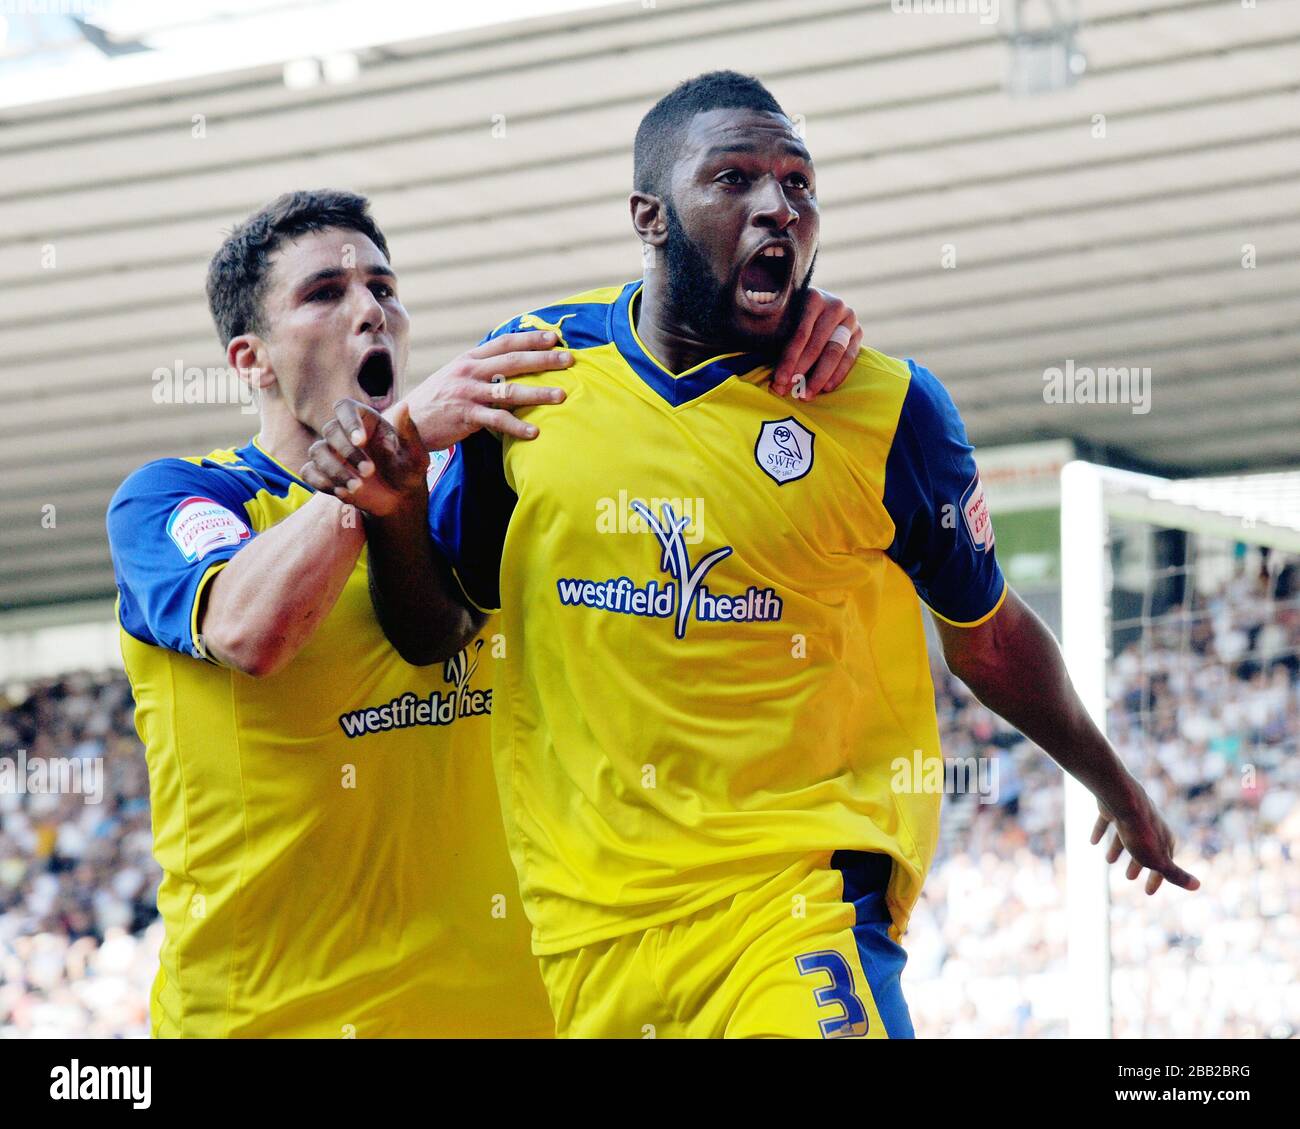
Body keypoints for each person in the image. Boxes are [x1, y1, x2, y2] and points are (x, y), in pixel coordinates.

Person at [308, 69, 1199, 1041]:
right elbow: (441, 626)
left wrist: (1115, 783)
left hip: (799, 894)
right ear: (649, 216)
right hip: (588, 930)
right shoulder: (529, 374)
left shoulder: (884, 406)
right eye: (734, 179)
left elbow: (984, 637)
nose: (779, 206)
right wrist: (394, 515)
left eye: (799, 184)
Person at [106, 188, 569, 1036]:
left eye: (384, 289)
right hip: (269, 1021)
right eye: (326, 292)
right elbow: (250, 633)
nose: (371, 310)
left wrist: (786, 326)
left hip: (508, 1016)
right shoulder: (181, 497)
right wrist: (394, 448)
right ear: (252, 359)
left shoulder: (468, 491)